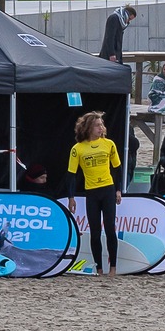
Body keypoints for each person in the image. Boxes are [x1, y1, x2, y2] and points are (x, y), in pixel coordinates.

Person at [66, 111, 123, 275]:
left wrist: (119, 190)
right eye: (97, 125)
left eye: (102, 125)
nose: (101, 128)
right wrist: (71, 198)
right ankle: (99, 268)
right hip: (91, 193)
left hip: (108, 189)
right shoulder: (78, 149)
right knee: (95, 232)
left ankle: (113, 268)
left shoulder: (109, 144)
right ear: (89, 127)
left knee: (110, 230)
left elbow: (117, 168)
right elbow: (71, 175)